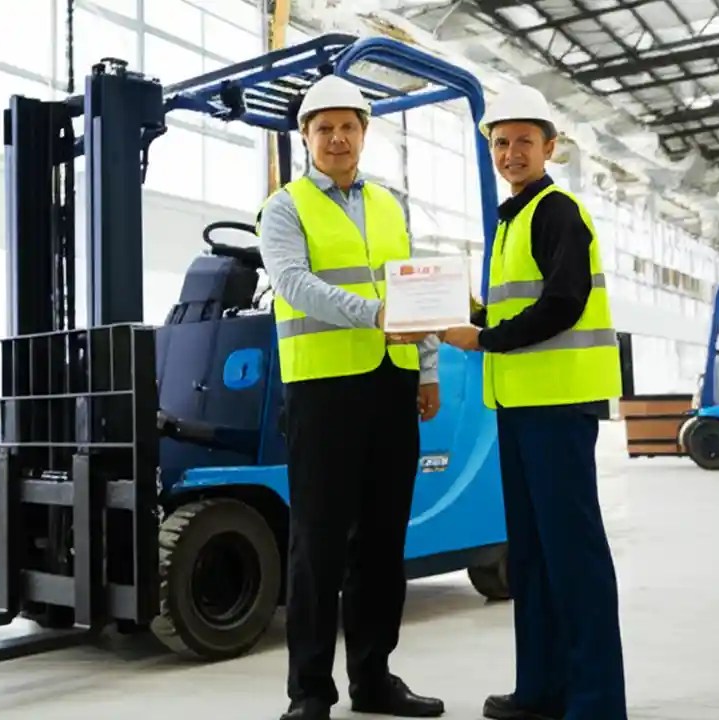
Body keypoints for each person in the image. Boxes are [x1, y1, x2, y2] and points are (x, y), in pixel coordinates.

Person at [258, 74, 446, 720]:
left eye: (349, 127)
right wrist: (372, 317)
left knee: (383, 540)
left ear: (365, 134)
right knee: (318, 543)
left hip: (393, 383)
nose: (337, 138)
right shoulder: (284, 207)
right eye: (324, 128)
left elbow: (416, 292)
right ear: (306, 138)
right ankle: (309, 691)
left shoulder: (392, 206)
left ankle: (374, 678)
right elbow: (293, 283)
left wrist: (426, 370)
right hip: (322, 390)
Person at [440, 84, 628, 720]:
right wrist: (455, 311)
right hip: (520, 408)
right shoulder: (511, 218)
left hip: (558, 408)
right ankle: (542, 688)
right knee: (534, 556)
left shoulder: (556, 211)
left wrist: (485, 335)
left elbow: (563, 302)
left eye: (524, 141)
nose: (511, 152)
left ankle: (596, 703)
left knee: (573, 557)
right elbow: (514, 305)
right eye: (501, 142)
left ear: (550, 147)